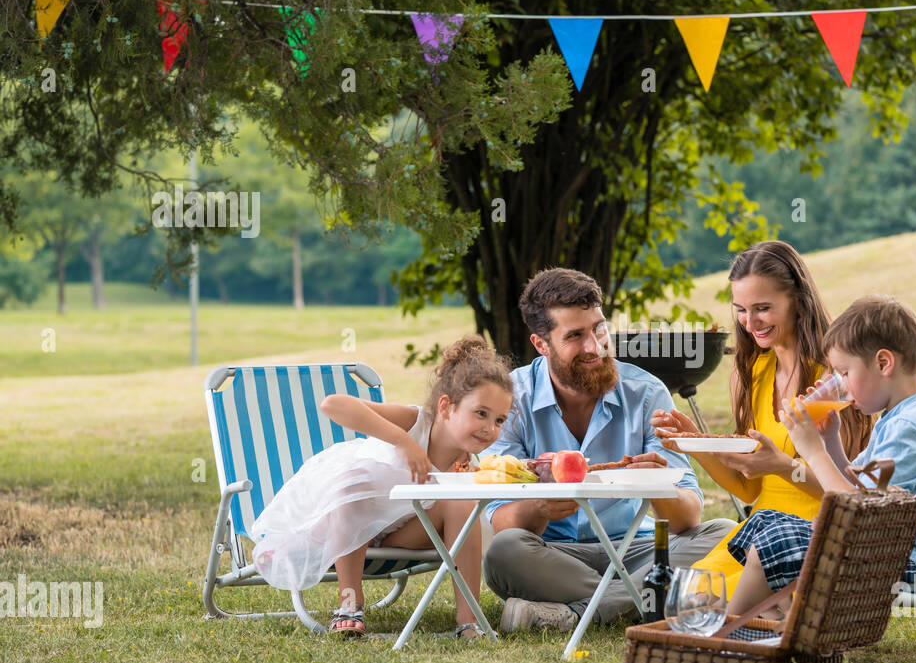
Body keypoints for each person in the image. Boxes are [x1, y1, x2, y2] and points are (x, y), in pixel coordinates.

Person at [481, 268, 735, 631]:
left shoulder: (648, 393)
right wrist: (539, 506)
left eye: (599, 329)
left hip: (637, 548)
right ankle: (649, 599)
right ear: (541, 344)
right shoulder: (510, 398)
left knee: (725, 534)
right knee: (504, 554)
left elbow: (687, 520)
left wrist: (659, 487)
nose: (594, 347)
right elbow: (502, 521)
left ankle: (574, 614)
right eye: (574, 336)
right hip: (554, 554)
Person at [724, 295, 916, 617]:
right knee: (766, 522)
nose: (840, 385)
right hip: (892, 554)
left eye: (844, 372)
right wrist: (830, 440)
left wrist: (812, 451)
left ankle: (723, 635)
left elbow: (857, 511)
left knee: (775, 541)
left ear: (884, 363)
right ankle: (770, 629)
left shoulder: (914, 427)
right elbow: (859, 487)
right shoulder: (901, 418)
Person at [249, 336, 515, 638]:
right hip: (349, 521)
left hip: (400, 532)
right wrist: (402, 442)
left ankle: (470, 620)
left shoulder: (467, 459)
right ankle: (350, 600)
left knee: (460, 504)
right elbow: (333, 404)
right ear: (446, 407)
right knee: (353, 480)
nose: (489, 428)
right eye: (481, 413)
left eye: (499, 420)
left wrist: (465, 481)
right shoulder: (415, 423)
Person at [651, 240, 871, 591]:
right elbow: (750, 488)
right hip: (758, 530)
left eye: (762, 308)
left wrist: (782, 465)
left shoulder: (832, 376)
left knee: (714, 603)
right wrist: (695, 442)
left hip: (813, 531)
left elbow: (847, 491)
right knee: (687, 593)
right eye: (741, 309)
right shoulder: (750, 373)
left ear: (797, 301)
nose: (750, 322)